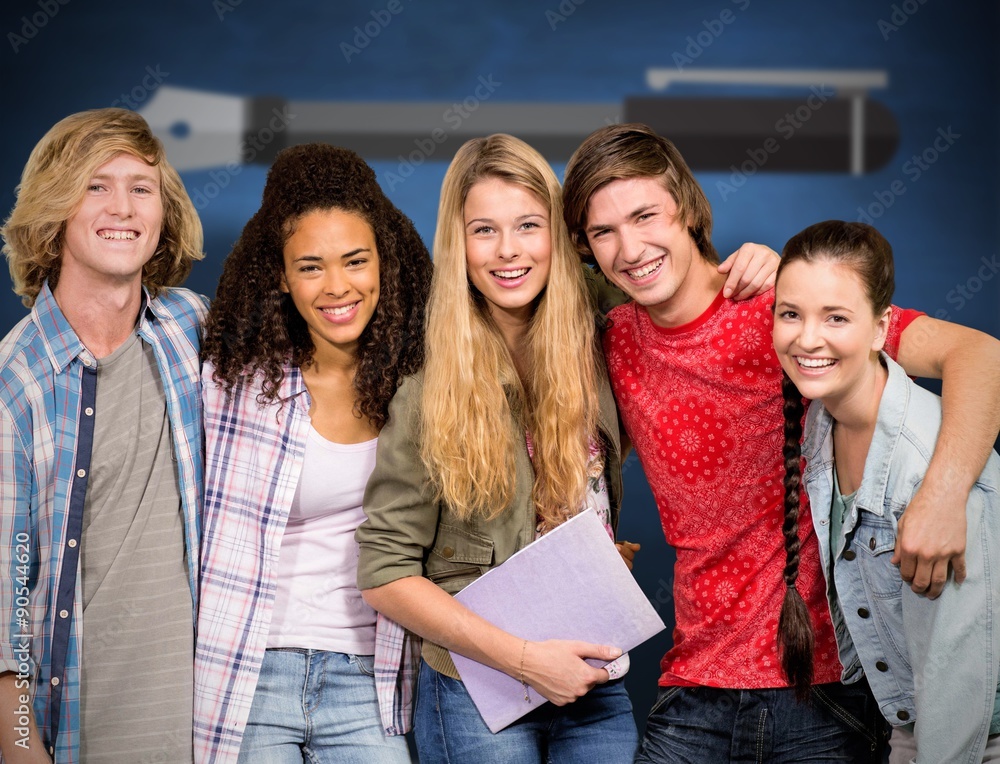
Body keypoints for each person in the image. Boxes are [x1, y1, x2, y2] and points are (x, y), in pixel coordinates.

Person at [561, 123, 1000, 762]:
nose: (630, 248)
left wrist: (942, 495)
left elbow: (979, 355)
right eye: (604, 232)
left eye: (646, 216)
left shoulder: (787, 311)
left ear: (686, 208)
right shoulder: (612, 339)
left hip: (825, 690)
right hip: (692, 689)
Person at [355, 133, 639, 763]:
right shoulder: (428, 388)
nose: (508, 250)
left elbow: (680, 292)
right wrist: (525, 660)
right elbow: (385, 573)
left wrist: (751, 267)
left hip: (595, 676)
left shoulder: (601, 333)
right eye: (484, 230)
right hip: (476, 690)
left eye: (528, 225)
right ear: (459, 245)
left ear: (560, 237)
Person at [194, 143, 431, 763]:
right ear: (279, 275)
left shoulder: (425, 383)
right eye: (310, 267)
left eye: (355, 261)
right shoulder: (230, 381)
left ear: (385, 261)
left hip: (372, 679)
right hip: (251, 674)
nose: (337, 287)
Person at [0, 108, 206, 762]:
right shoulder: (14, 386)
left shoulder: (193, 331)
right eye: (96, 186)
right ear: (54, 209)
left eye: (142, 188)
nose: (123, 207)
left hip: (217, 739)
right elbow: (4, 633)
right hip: (85, 743)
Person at [774, 220, 1000, 763]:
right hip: (910, 724)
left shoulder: (925, 468)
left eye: (835, 317)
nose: (807, 339)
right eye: (790, 314)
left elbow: (957, 681)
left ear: (881, 329)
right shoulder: (821, 425)